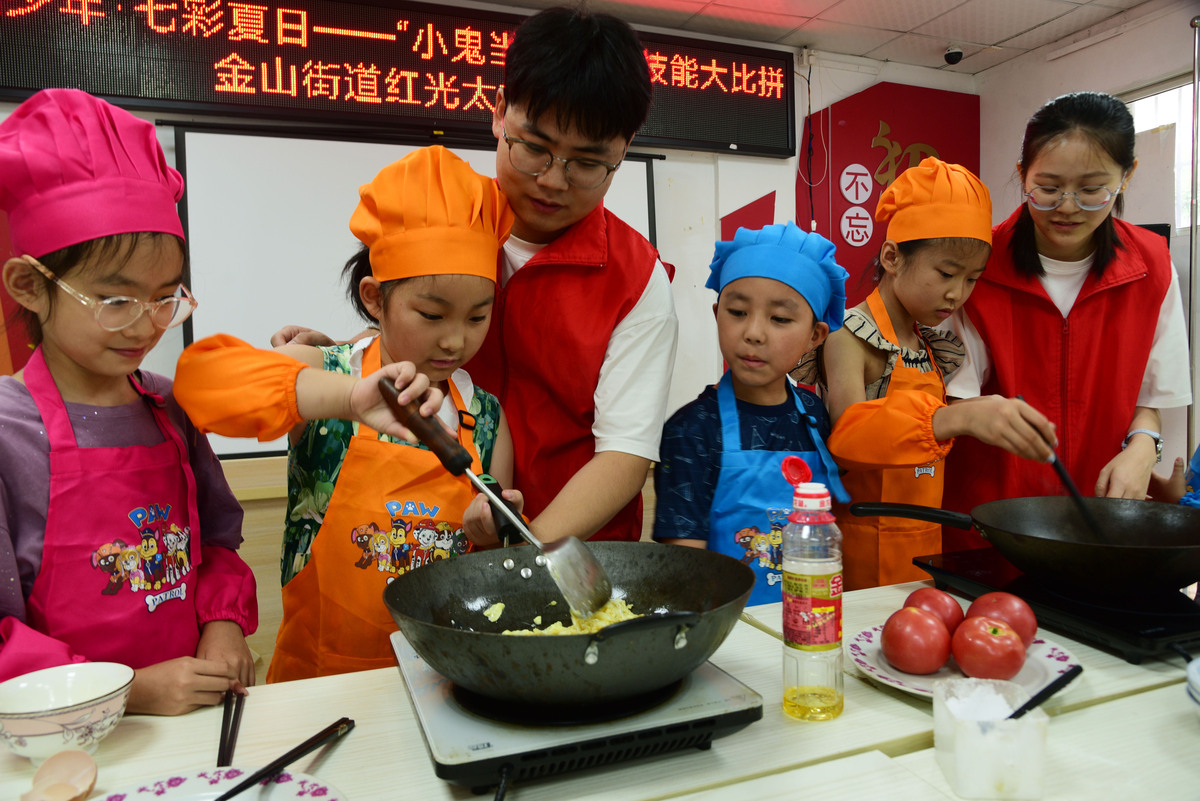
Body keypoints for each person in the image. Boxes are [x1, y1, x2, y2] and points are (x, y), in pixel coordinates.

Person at [276, 7, 679, 545]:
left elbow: (624, 457)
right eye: (534, 147)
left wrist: (523, 549)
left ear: (623, 151)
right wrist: (346, 356)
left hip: (574, 552)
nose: (552, 180)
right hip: (429, 538)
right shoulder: (443, 217)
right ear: (498, 113)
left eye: (586, 163)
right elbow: (408, 346)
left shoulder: (638, 280)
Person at [174, 146, 512, 682]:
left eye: (478, 316)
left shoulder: (486, 416)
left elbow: (495, 566)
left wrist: (492, 533)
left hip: (443, 678)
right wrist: (348, 397)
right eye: (431, 313)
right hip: (318, 679)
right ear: (376, 299)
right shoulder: (326, 370)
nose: (455, 339)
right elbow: (200, 387)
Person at [0, 89, 258, 715]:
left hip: (191, 715)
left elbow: (217, 543)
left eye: (165, 297)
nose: (146, 327)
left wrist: (223, 623)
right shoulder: (9, 433)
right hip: (58, 733)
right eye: (115, 301)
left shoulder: (170, 408)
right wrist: (128, 693)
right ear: (31, 286)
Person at [943, 92, 1192, 551]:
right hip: (993, 519)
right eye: (1049, 186)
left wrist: (1142, 448)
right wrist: (980, 415)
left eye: (1093, 188)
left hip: (1100, 519)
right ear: (1022, 175)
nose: (1068, 207)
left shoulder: (1151, 267)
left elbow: (1151, 399)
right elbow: (952, 401)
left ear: (1126, 176)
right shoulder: (979, 265)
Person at [813, 158, 1056, 589]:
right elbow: (847, 437)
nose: (956, 293)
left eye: (971, 279)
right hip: (864, 545)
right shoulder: (848, 337)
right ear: (892, 256)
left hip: (925, 538)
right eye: (946, 273)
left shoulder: (930, 345)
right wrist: (953, 418)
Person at [653, 222, 850, 605]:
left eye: (779, 319)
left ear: (816, 335)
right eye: (738, 311)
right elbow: (685, 566)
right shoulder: (692, 430)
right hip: (726, 632)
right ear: (717, 313)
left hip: (810, 619)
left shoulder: (813, 414)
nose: (754, 333)